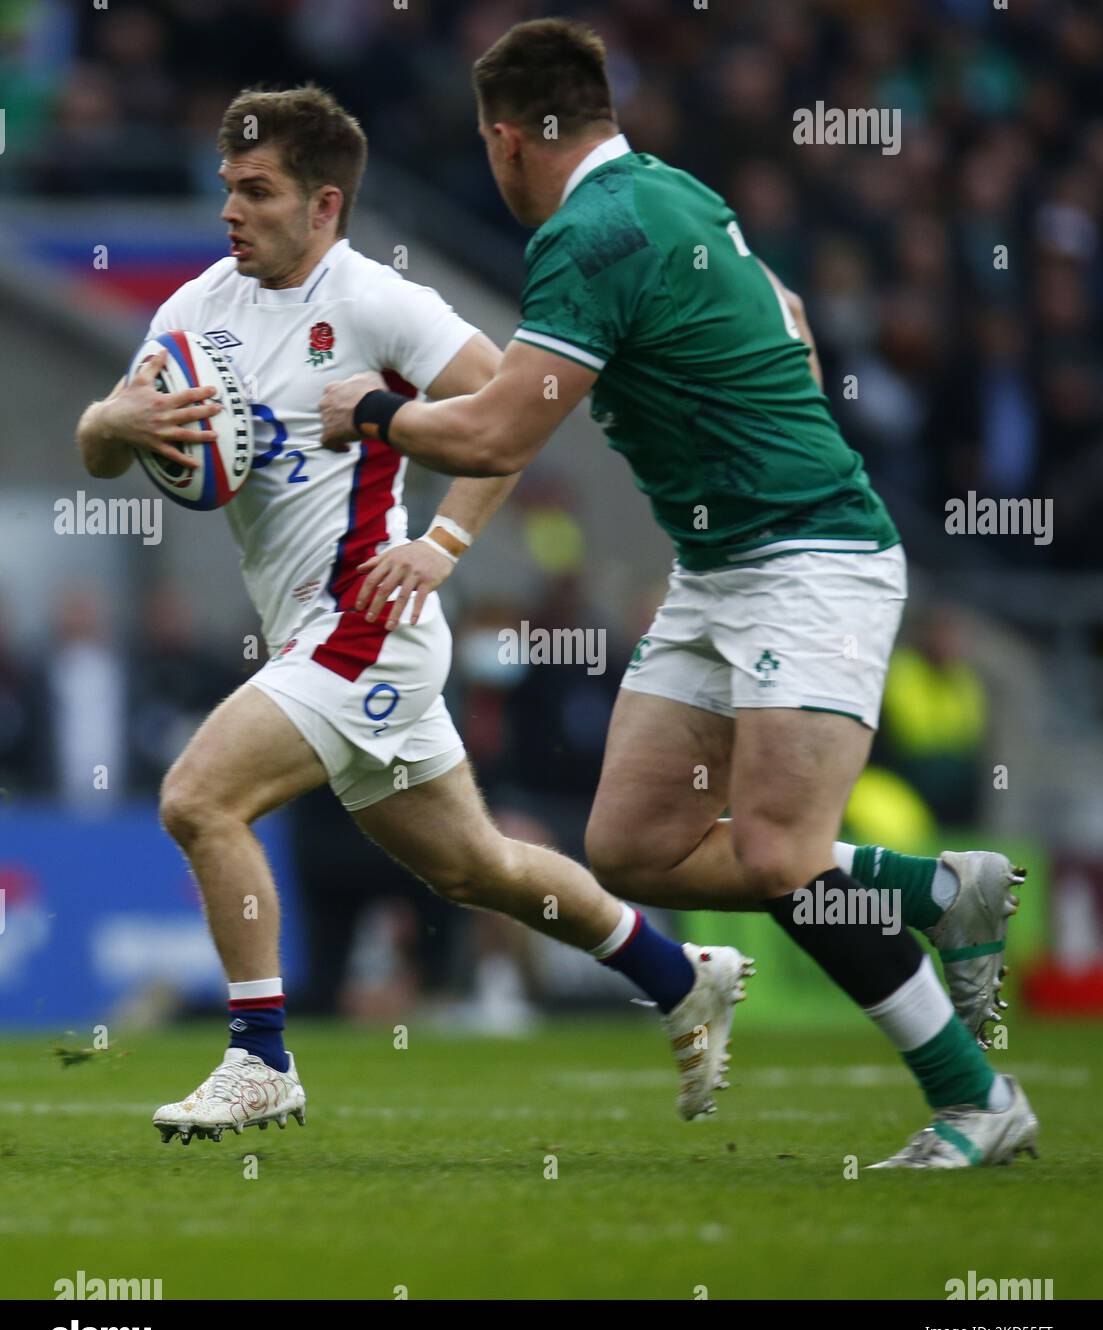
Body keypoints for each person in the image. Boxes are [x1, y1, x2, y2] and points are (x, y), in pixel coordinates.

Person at [319, 20, 1036, 1169]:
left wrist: (371, 411)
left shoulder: (587, 233)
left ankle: (971, 1097)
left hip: (811, 559)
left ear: (508, 140)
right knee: (633, 845)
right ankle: (935, 888)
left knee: (776, 853)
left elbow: (502, 428)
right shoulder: (673, 194)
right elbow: (788, 318)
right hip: (721, 571)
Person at [75, 83, 755, 1145]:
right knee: (473, 866)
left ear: (325, 206)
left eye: (257, 191)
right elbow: (102, 443)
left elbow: (514, 412)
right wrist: (111, 417)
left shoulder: (378, 305)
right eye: (226, 189)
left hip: (365, 626)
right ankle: (679, 972)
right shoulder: (191, 309)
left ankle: (260, 1058)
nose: (232, 211)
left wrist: (441, 542)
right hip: (311, 633)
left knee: (198, 798)